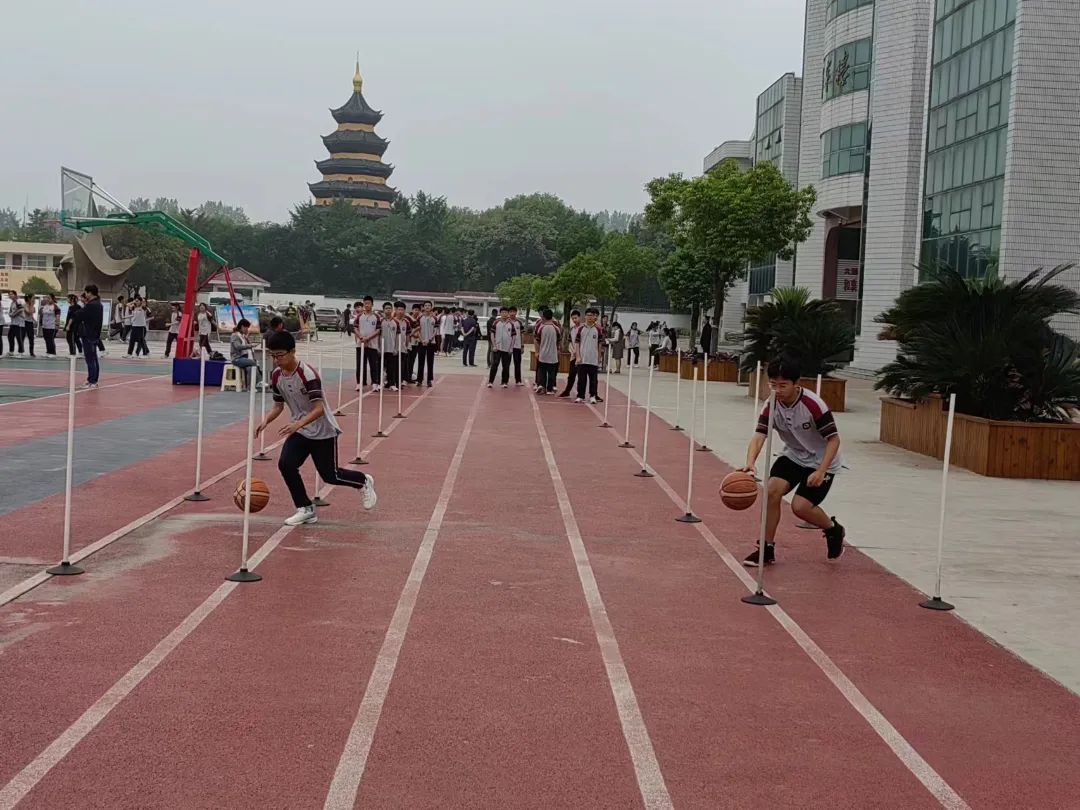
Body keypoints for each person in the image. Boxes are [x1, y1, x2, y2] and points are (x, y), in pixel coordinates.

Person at [256, 330, 376, 526]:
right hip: (301, 431)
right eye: (273, 355)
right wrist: (266, 421)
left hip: (322, 431)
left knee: (331, 476)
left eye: (280, 355)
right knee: (286, 465)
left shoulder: (308, 374)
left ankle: (363, 481)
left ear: (293, 351)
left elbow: (319, 409)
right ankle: (305, 508)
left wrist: (297, 424)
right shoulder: (276, 375)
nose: (276, 359)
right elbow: (278, 405)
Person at [738, 357, 846, 567]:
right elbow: (760, 435)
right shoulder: (771, 404)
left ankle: (833, 529)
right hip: (794, 455)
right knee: (771, 491)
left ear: (796, 384)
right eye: (773, 384)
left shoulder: (813, 405)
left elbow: (834, 440)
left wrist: (822, 470)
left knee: (800, 507)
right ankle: (766, 549)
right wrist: (750, 462)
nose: (777, 390)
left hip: (821, 460)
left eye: (783, 385)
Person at [75, 284, 104, 389]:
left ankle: (92, 381)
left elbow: (79, 314)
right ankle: (93, 379)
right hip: (95, 333)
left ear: (90, 293)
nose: (85, 295)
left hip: (88, 333)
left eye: (86, 293)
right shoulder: (99, 304)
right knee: (94, 358)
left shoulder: (91, 305)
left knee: (90, 359)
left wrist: (80, 305)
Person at [574, 308, 603, 403]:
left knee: (593, 380)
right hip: (582, 359)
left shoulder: (598, 329)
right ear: (585, 316)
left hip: (593, 359)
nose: (590, 317)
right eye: (588, 315)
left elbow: (599, 345)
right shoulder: (581, 329)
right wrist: (578, 356)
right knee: (581, 379)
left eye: (592, 315)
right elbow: (577, 343)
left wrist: (599, 357)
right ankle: (580, 395)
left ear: (594, 317)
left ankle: (593, 395)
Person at [354, 296, 381, 391]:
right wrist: (361, 338)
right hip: (360, 344)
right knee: (360, 365)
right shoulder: (359, 317)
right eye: (365, 303)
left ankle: (375, 384)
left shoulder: (376, 317)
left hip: (372, 345)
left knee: (374, 365)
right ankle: (359, 383)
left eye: (369, 303)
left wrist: (368, 338)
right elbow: (355, 328)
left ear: (372, 304)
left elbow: (378, 330)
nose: (367, 305)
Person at [533, 309, 561, 394]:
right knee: (552, 372)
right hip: (553, 354)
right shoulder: (556, 328)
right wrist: (558, 350)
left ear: (543, 317)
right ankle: (549, 389)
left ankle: (543, 386)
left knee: (542, 371)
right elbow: (559, 342)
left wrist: (537, 352)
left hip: (543, 354)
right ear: (551, 317)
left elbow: (537, 341)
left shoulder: (541, 328)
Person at [229, 318, 262, 389]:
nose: (247, 330)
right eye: (246, 328)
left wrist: (247, 340)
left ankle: (250, 387)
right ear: (242, 327)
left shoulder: (242, 336)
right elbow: (237, 346)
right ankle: (259, 381)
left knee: (250, 368)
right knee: (253, 362)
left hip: (244, 358)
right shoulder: (235, 335)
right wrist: (250, 345)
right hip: (237, 358)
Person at [487, 307, 514, 388]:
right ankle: (490, 381)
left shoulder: (511, 324)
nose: (504, 314)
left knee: (506, 366)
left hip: (507, 349)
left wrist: (511, 348)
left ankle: (504, 382)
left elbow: (514, 337)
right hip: (497, 348)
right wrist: (494, 345)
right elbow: (492, 334)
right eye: (503, 312)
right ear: (500, 313)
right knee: (494, 365)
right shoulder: (496, 322)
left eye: (506, 312)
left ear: (508, 313)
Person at [558, 310, 583, 398]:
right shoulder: (572, 329)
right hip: (574, 355)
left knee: (581, 376)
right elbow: (570, 342)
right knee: (571, 374)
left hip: (582, 355)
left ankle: (581, 393)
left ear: (580, 317)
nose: (575, 320)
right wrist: (572, 351)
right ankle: (567, 391)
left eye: (576, 318)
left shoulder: (583, 328)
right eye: (573, 319)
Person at [417, 300, 439, 387]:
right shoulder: (420, 318)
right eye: (425, 305)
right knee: (420, 361)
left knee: (430, 362)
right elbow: (417, 330)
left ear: (431, 307)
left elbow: (436, 331)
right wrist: (422, 340)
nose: (427, 307)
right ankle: (419, 380)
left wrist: (429, 340)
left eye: (429, 306)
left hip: (431, 343)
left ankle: (429, 380)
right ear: (423, 307)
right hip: (421, 342)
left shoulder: (435, 318)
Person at [380, 302, 400, 391]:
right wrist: (378, 347)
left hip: (391, 349)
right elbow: (377, 335)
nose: (388, 310)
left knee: (391, 367)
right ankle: (380, 383)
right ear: (383, 310)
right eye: (386, 308)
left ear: (392, 310)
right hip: (382, 348)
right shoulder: (380, 321)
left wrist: (396, 348)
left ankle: (392, 384)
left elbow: (397, 336)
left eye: (389, 308)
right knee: (381, 367)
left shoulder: (396, 322)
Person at [508, 306, 525, 386]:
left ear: (516, 312)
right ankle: (505, 381)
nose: (512, 313)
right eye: (510, 312)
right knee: (506, 364)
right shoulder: (506, 322)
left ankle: (518, 380)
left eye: (513, 312)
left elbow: (522, 334)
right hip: (507, 347)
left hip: (517, 346)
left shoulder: (519, 322)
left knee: (517, 364)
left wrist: (522, 345)